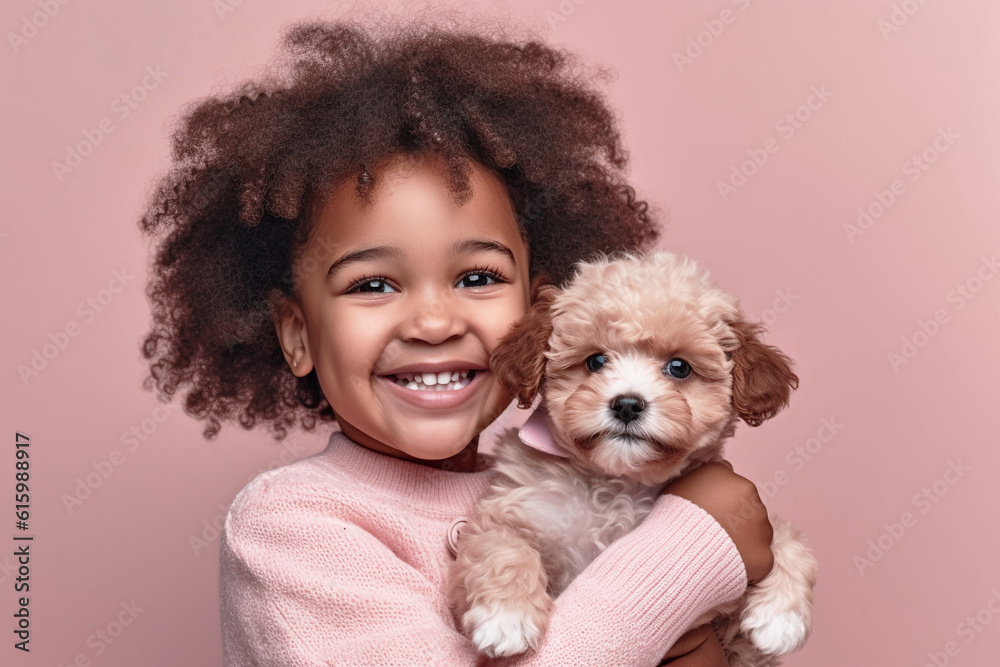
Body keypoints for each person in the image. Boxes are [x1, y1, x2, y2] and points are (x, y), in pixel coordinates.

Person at [137, 12, 774, 666]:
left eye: (476, 276)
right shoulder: (289, 529)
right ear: (297, 333)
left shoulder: (572, 488)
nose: (434, 322)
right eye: (373, 285)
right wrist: (693, 545)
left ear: (544, 318)